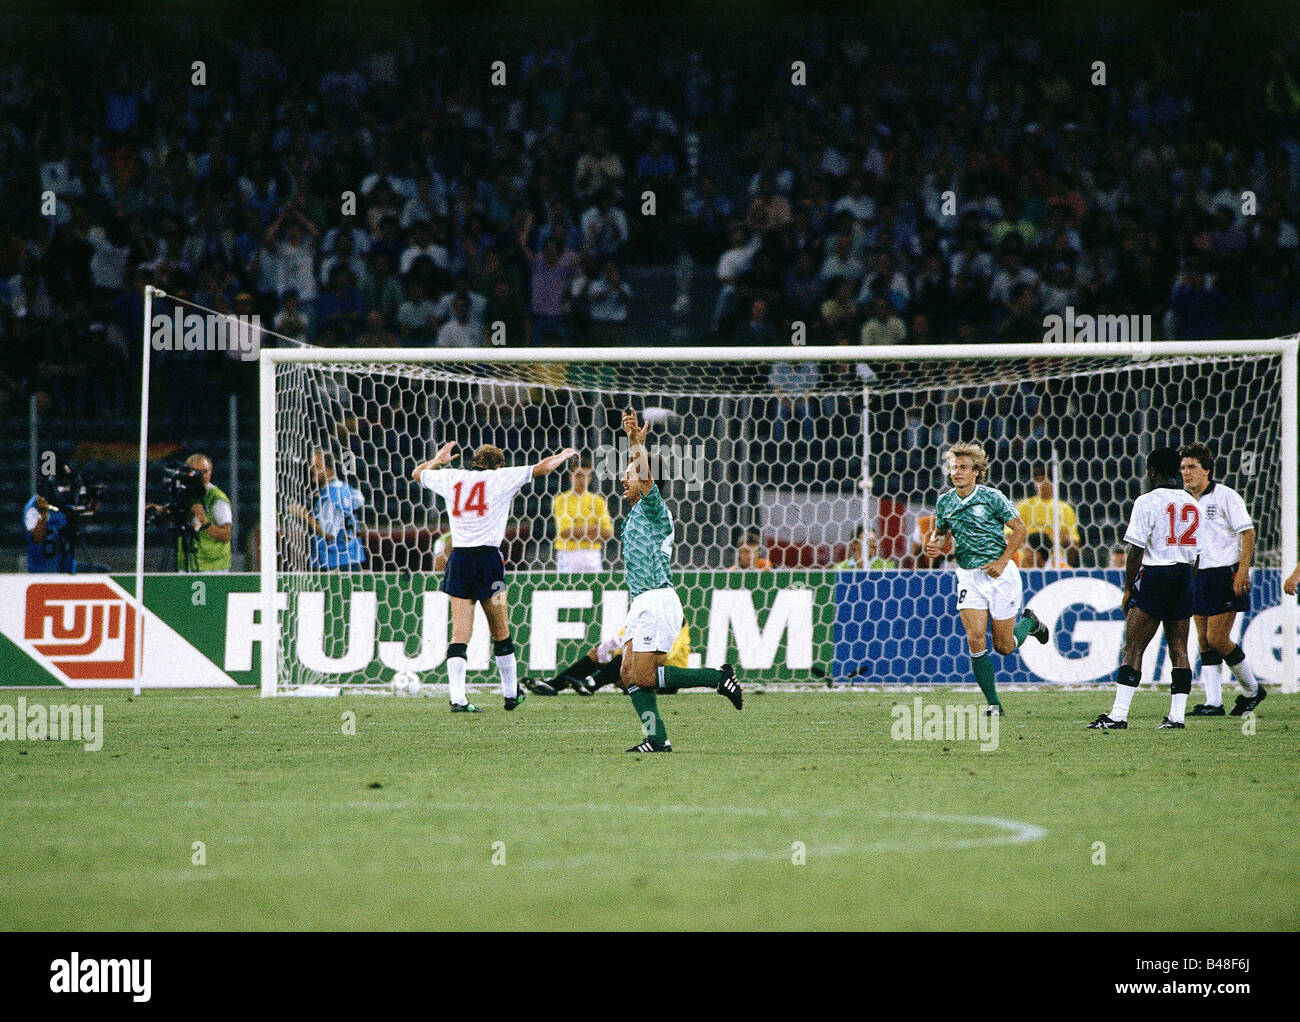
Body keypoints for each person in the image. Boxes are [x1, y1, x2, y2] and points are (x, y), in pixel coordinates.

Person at [412, 441, 578, 712]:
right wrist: (562, 454)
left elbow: (417, 474)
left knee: (460, 632)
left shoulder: (452, 477)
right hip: (488, 561)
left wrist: (439, 459)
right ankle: (511, 694)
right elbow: (543, 467)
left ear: (475, 461)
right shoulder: (502, 477)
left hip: (460, 560)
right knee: (500, 630)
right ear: (497, 464)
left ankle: (457, 699)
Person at [616, 409, 742, 752]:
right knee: (628, 674)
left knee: (643, 676)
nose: (623, 480)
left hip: (657, 600)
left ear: (645, 480)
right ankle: (657, 738)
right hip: (642, 602)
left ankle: (718, 678)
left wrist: (636, 443)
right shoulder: (636, 515)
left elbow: (645, 478)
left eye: (629, 475)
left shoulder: (655, 510)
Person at [923, 442, 1049, 715]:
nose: (957, 472)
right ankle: (994, 704)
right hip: (969, 576)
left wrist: (1003, 561)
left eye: (964, 468)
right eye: (954, 467)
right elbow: (941, 533)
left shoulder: (992, 497)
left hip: (1001, 576)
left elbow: (1019, 529)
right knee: (975, 638)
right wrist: (935, 543)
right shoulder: (945, 501)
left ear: (977, 472)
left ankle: (1029, 623)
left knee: (1003, 647)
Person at [1088, 448, 1199, 730]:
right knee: (1179, 647)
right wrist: (1188, 582)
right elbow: (1196, 555)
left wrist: (1128, 588)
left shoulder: (1147, 501)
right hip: (1184, 575)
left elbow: (1135, 548)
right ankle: (1177, 717)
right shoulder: (1192, 503)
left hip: (1157, 574)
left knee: (1133, 646)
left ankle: (1118, 715)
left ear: (1151, 471)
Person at [1180, 443, 1266, 717]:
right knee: (1204, 641)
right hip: (1197, 575)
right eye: (1183, 467)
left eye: (1192, 466)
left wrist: (1242, 570)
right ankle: (1213, 702)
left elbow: (1248, 532)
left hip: (1223, 574)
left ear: (1207, 469)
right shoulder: (1184, 501)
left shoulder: (1226, 496)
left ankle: (1253, 690)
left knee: (1217, 638)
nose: (1186, 472)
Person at [525, 623, 691, 697]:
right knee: (597, 654)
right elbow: (624, 637)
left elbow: (665, 655)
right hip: (644, 668)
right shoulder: (645, 614)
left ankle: (592, 684)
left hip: (667, 676)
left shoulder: (673, 621)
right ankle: (554, 685)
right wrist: (607, 650)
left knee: (632, 654)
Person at [288, 450, 367, 571]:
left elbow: (328, 533)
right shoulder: (344, 488)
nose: (311, 469)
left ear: (329, 469)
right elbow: (359, 499)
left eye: (317, 466)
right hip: (350, 557)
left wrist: (302, 514)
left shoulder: (332, 495)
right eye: (311, 465)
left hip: (337, 561)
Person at [551, 455, 613, 573]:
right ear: (571, 477)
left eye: (586, 476)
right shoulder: (561, 500)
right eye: (579, 475)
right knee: (568, 590)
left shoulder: (598, 501)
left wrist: (578, 531)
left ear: (590, 477)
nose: (583, 479)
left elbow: (607, 533)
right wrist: (593, 527)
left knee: (595, 588)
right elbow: (565, 532)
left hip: (592, 554)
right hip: (568, 554)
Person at [1015, 465, 1082, 567]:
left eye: (1043, 480)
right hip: (1026, 559)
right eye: (1037, 481)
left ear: (1053, 482)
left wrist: (1066, 541)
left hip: (1055, 559)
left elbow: (1075, 543)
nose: (1039, 485)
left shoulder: (1065, 509)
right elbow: (1009, 535)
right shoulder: (1023, 506)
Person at [176, 453, 233, 572]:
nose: (201, 476)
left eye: (205, 472)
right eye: (196, 472)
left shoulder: (217, 498)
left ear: (210, 473)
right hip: (187, 564)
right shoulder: (184, 495)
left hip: (213, 567)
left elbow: (226, 535)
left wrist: (205, 521)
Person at [24, 462, 78, 573]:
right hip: (42, 568)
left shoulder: (64, 504)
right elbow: (37, 538)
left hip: (65, 565)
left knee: (100, 569)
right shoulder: (33, 507)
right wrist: (43, 514)